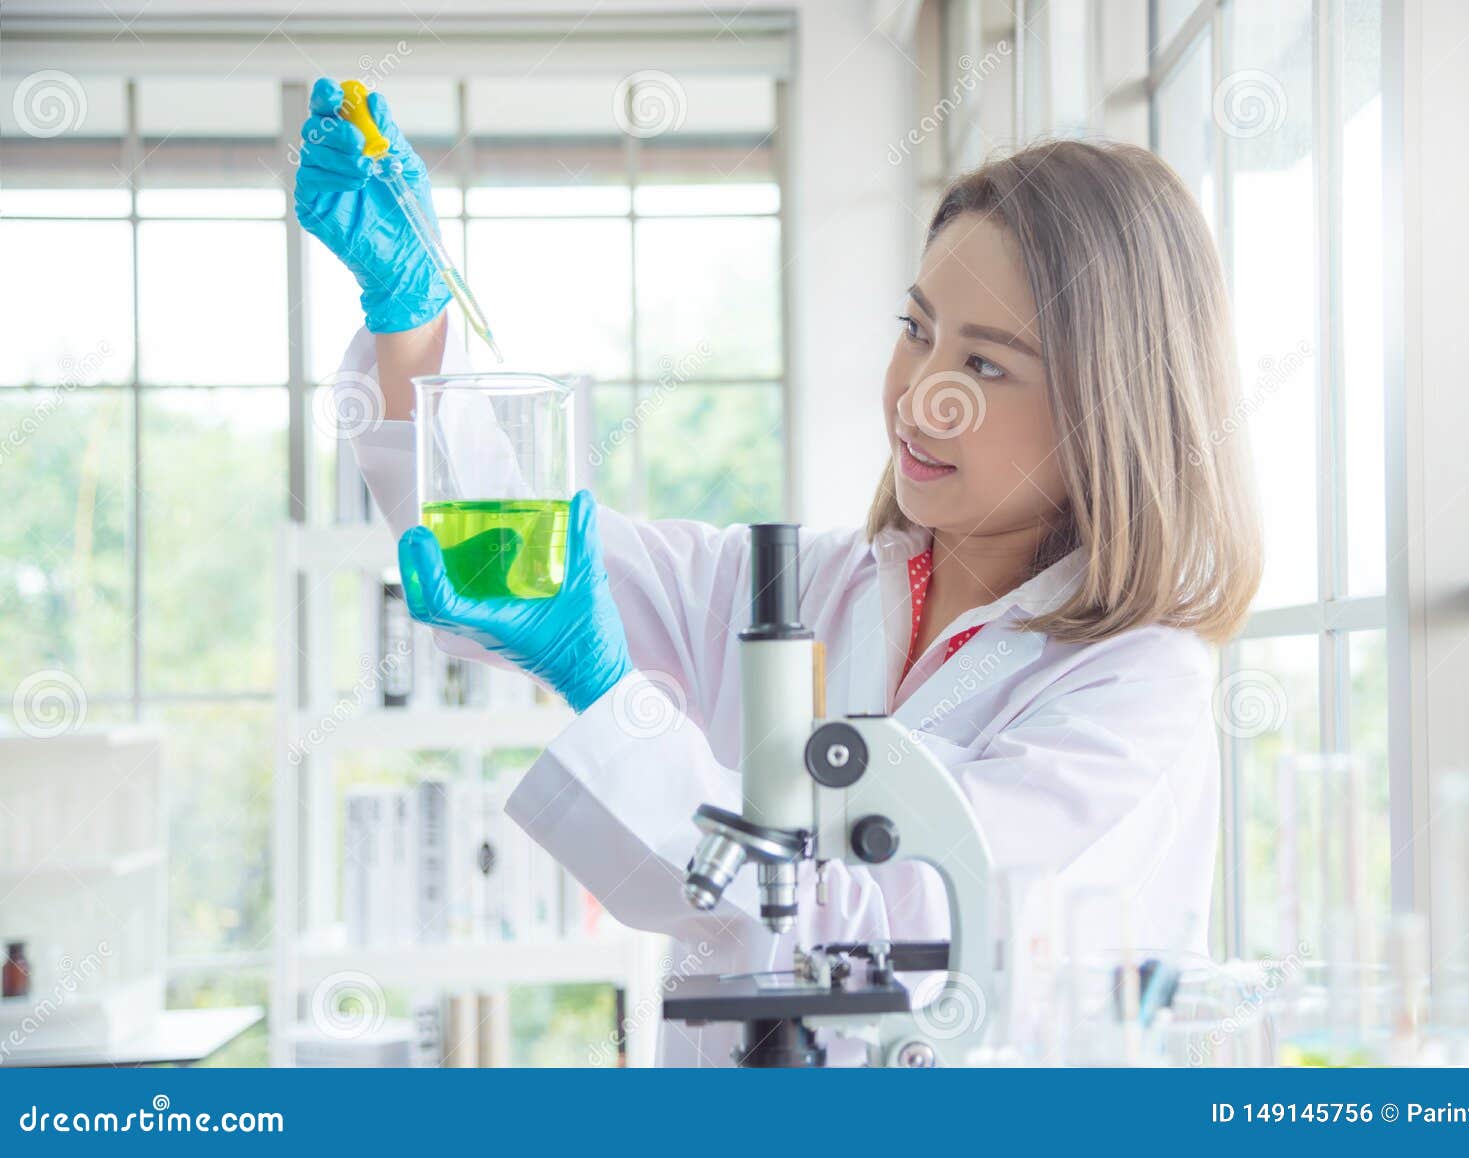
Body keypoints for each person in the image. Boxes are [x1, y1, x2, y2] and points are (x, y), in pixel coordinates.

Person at [296, 77, 1262, 1066]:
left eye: (983, 366)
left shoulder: (1134, 686)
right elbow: (501, 555)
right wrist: (406, 315)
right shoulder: (797, 591)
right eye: (917, 329)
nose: (922, 395)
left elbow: (888, 944)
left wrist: (608, 694)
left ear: (1108, 407)